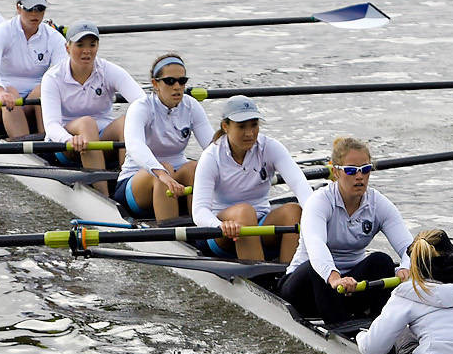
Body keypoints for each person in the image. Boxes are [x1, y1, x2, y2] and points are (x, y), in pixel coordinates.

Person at [280, 135, 413, 323]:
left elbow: (410, 247)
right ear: (335, 172)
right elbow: (316, 245)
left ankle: (382, 327)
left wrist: (406, 268)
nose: (359, 177)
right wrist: (334, 278)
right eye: (351, 171)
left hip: (349, 287)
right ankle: (341, 329)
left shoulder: (378, 203)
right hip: (304, 288)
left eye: (365, 170)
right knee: (316, 269)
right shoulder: (319, 202)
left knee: (381, 261)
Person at [190, 96, 312, 262]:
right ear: (225, 126)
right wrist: (220, 226)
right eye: (241, 127)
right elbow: (199, 212)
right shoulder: (211, 156)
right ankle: (258, 275)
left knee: (293, 210)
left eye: (254, 125)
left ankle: (289, 276)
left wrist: (318, 217)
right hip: (220, 234)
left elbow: (300, 185)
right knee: (244, 211)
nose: (249, 133)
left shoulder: (270, 147)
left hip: (260, 224)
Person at [38, 19, 142, 184]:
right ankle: (104, 196)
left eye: (92, 45)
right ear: (67, 47)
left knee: (128, 120)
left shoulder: (109, 70)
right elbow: (51, 126)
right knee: (87, 124)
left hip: (102, 139)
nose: (86, 51)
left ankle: (128, 184)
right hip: (66, 145)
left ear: (97, 47)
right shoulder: (53, 77)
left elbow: (142, 103)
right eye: (80, 45)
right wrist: (68, 139)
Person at [118, 54, 213, 221]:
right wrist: (162, 173)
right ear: (155, 84)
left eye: (182, 81)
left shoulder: (191, 106)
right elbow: (134, 146)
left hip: (175, 179)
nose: (177, 87)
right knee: (165, 168)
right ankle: (170, 233)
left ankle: (202, 230)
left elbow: (214, 147)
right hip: (137, 182)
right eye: (170, 81)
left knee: (195, 167)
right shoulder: (141, 107)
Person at [0, 0, 67, 138]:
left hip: (33, 102)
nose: (35, 14)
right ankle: (24, 146)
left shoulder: (54, 37)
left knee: (45, 88)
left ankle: (48, 142)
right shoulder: (1, 32)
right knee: (10, 91)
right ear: (18, 8)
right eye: (29, 8)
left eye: (40, 8)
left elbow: (64, 72)